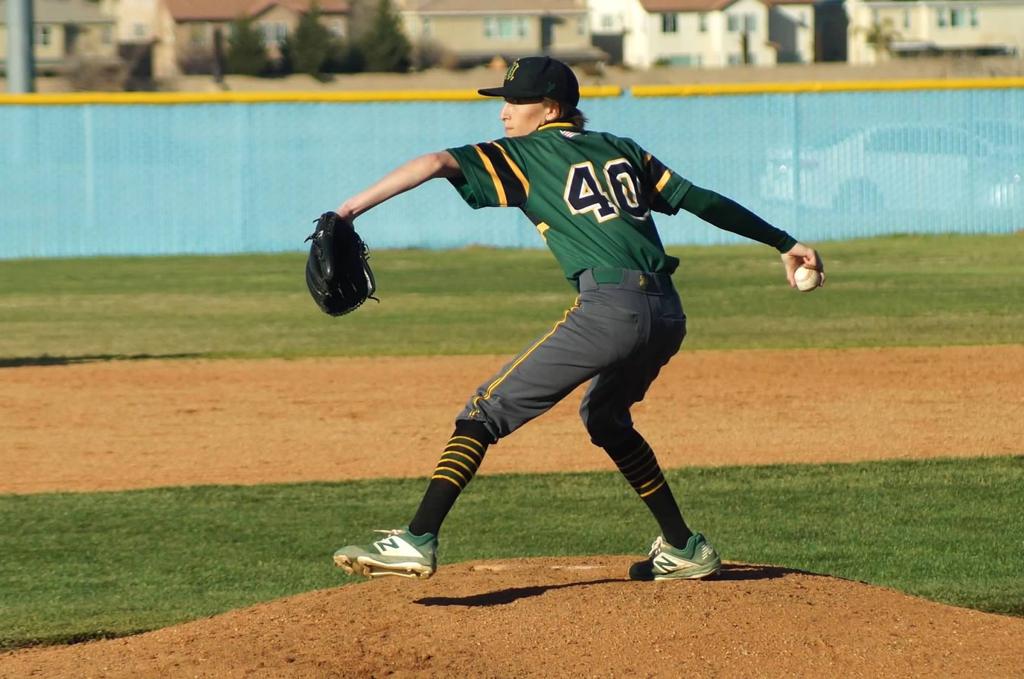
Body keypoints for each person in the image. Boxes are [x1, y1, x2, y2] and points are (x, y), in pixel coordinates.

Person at [331, 56, 823, 582]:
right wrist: (785, 242)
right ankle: (684, 548)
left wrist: (347, 212)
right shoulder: (621, 149)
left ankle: (417, 539)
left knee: (482, 409)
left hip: (611, 310)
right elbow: (699, 200)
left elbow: (433, 163)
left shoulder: (525, 154)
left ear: (550, 108)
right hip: (667, 312)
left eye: (515, 101)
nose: (504, 112)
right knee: (606, 418)